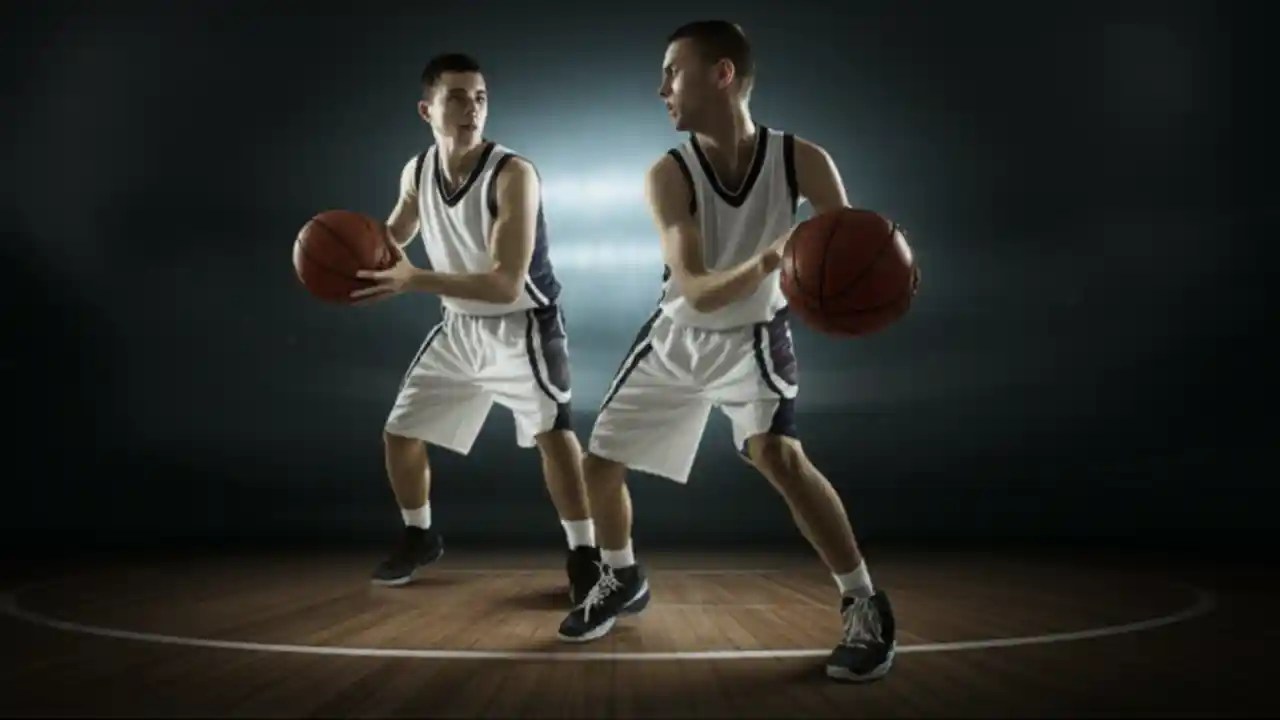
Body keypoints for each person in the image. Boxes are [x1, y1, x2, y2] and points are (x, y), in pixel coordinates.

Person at [556, 22, 915, 683]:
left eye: (673, 71)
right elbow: (693, 288)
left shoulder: (804, 160)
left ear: (721, 75)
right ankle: (623, 575)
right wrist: (774, 258)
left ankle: (865, 602)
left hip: (755, 335)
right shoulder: (669, 174)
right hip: (678, 336)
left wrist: (871, 278)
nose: (661, 86)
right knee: (598, 465)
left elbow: (852, 248)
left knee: (780, 455)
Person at [352, 53, 599, 605]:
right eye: (458, 97)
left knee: (554, 436)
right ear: (427, 109)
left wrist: (413, 280)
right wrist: (352, 258)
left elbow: (507, 282)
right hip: (460, 326)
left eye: (480, 97)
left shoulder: (513, 174)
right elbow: (393, 238)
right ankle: (420, 535)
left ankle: (586, 555)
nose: (473, 108)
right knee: (400, 434)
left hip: (523, 324)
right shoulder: (416, 172)